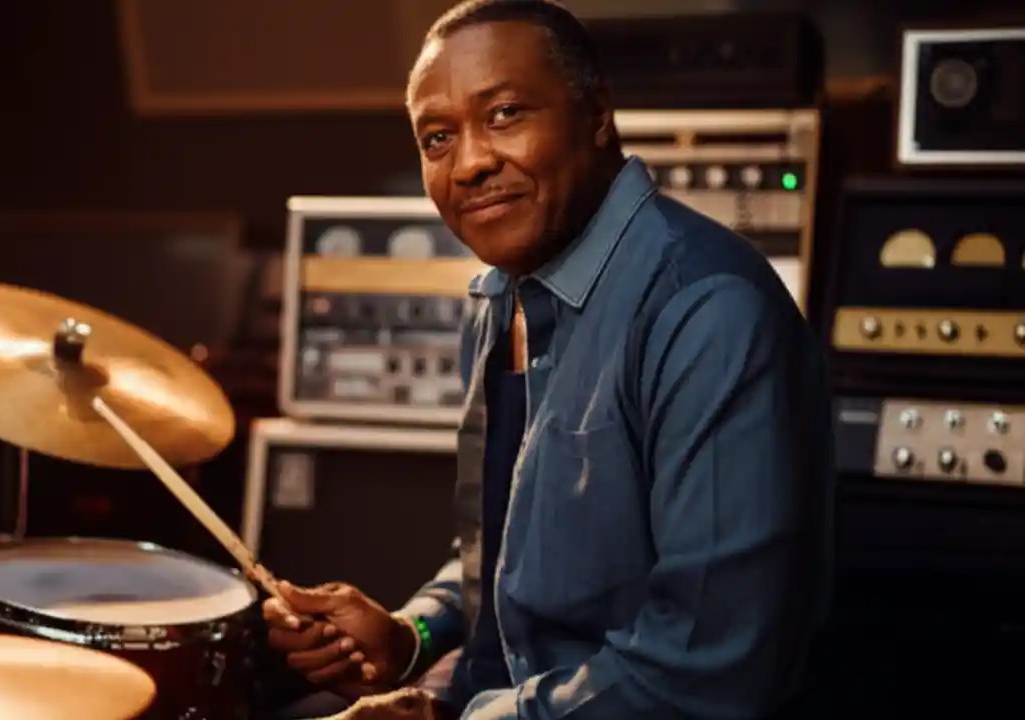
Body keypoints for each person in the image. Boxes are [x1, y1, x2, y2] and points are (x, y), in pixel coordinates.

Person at [261, 1, 834, 718]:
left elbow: (705, 671)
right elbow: (513, 550)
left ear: (597, 115)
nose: (469, 163)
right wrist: (414, 634)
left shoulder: (707, 312)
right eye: (438, 137)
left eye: (504, 115)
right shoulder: (502, 296)